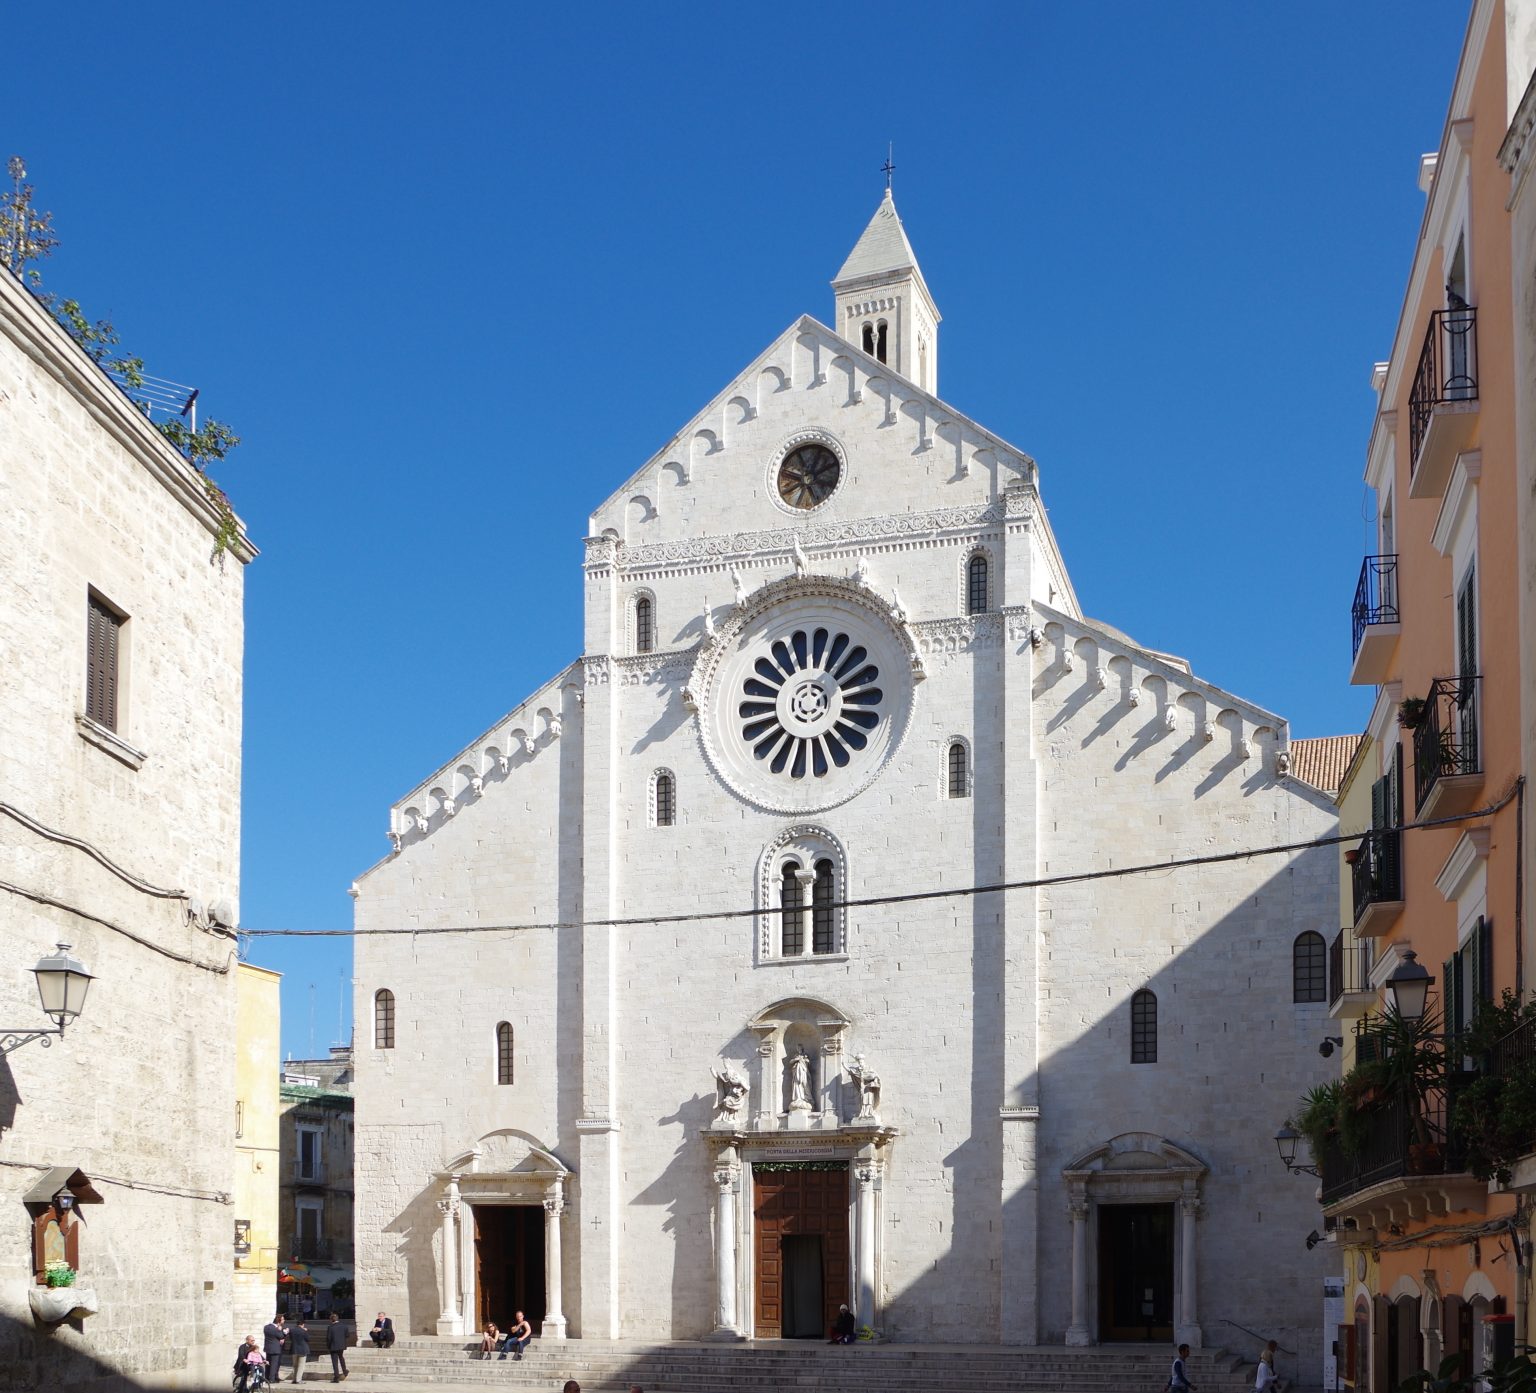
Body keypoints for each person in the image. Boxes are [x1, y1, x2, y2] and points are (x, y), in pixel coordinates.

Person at [263, 1314, 288, 1386]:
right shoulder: (275, 1329)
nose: (284, 1321)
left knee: (268, 1363)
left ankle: (267, 1378)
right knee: (274, 1364)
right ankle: (272, 1379)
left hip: (268, 1348)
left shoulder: (266, 1327)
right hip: (275, 1349)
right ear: (279, 1321)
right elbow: (281, 1336)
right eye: (283, 1319)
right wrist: (285, 1332)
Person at [325, 1312, 349, 1383]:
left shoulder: (330, 1327)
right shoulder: (344, 1326)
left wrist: (328, 1346)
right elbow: (347, 1335)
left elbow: (329, 1338)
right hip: (341, 1345)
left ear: (331, 1320)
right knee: (341, 1357)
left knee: (335, 1361)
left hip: (333, 1346)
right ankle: (345, 1371)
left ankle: (336, 1377)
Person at [287, 1317, 311, 1383]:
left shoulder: (292, 1330)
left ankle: (294, 1379)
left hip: (294, 1349)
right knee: (301, 1365)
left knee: (295, 1365)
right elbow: (308, 1339)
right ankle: (298, 1379)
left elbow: (291, 1338)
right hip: (302, 1350)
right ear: (302, 1324)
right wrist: (306, 1331)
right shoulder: (303, 1331)